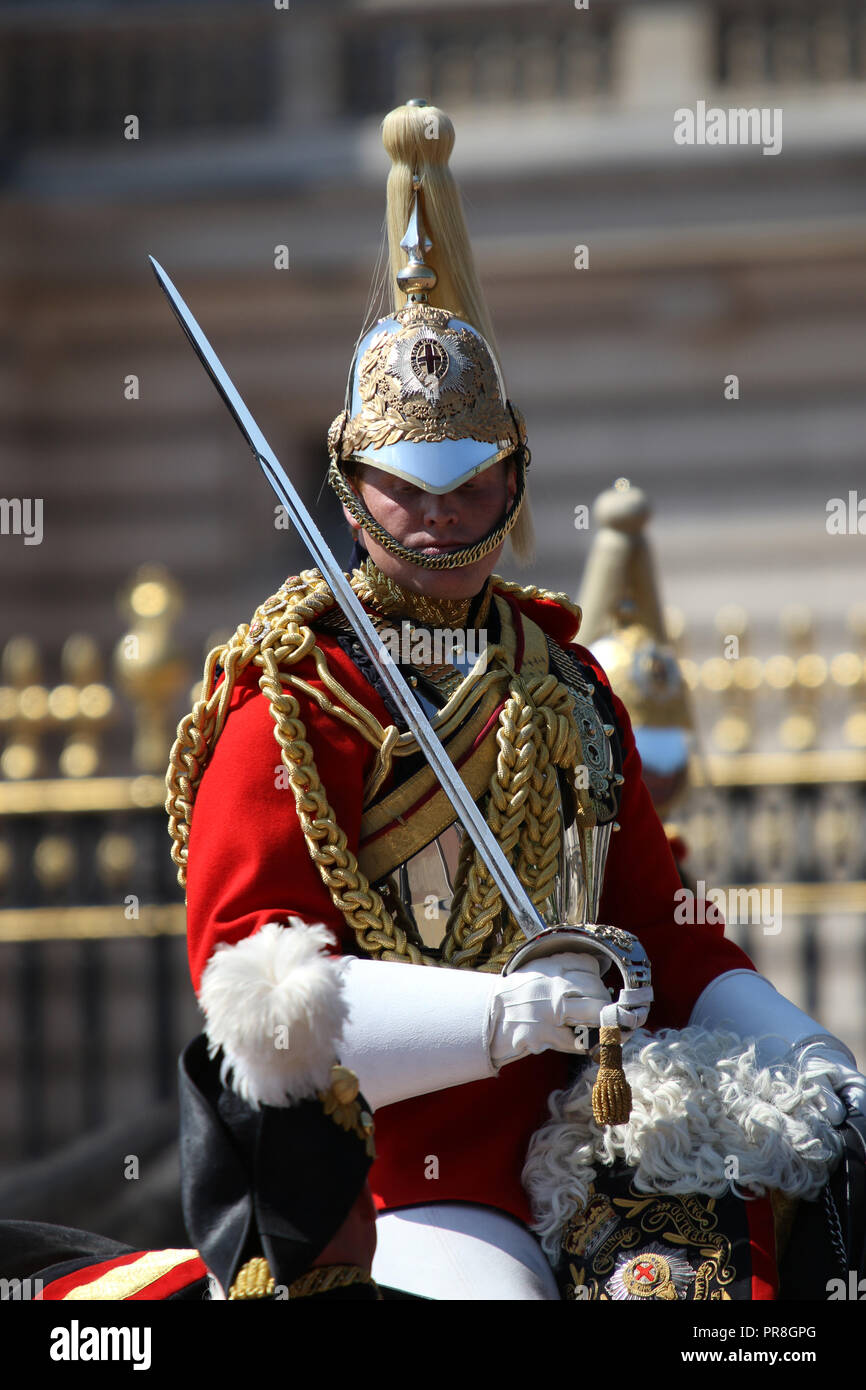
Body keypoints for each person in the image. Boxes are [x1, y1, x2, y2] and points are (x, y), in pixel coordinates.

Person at [166, 101, 864, 1300]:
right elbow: (256, 1005)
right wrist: (496, 1016)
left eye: (467, 484)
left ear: (512, 480)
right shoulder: (288, 698)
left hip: (594, 1131)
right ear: (350, 489)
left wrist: (803, 1046)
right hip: (399, 1172)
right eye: (404, 489)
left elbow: (661, 917)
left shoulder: (565, 680)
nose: (436, 516)